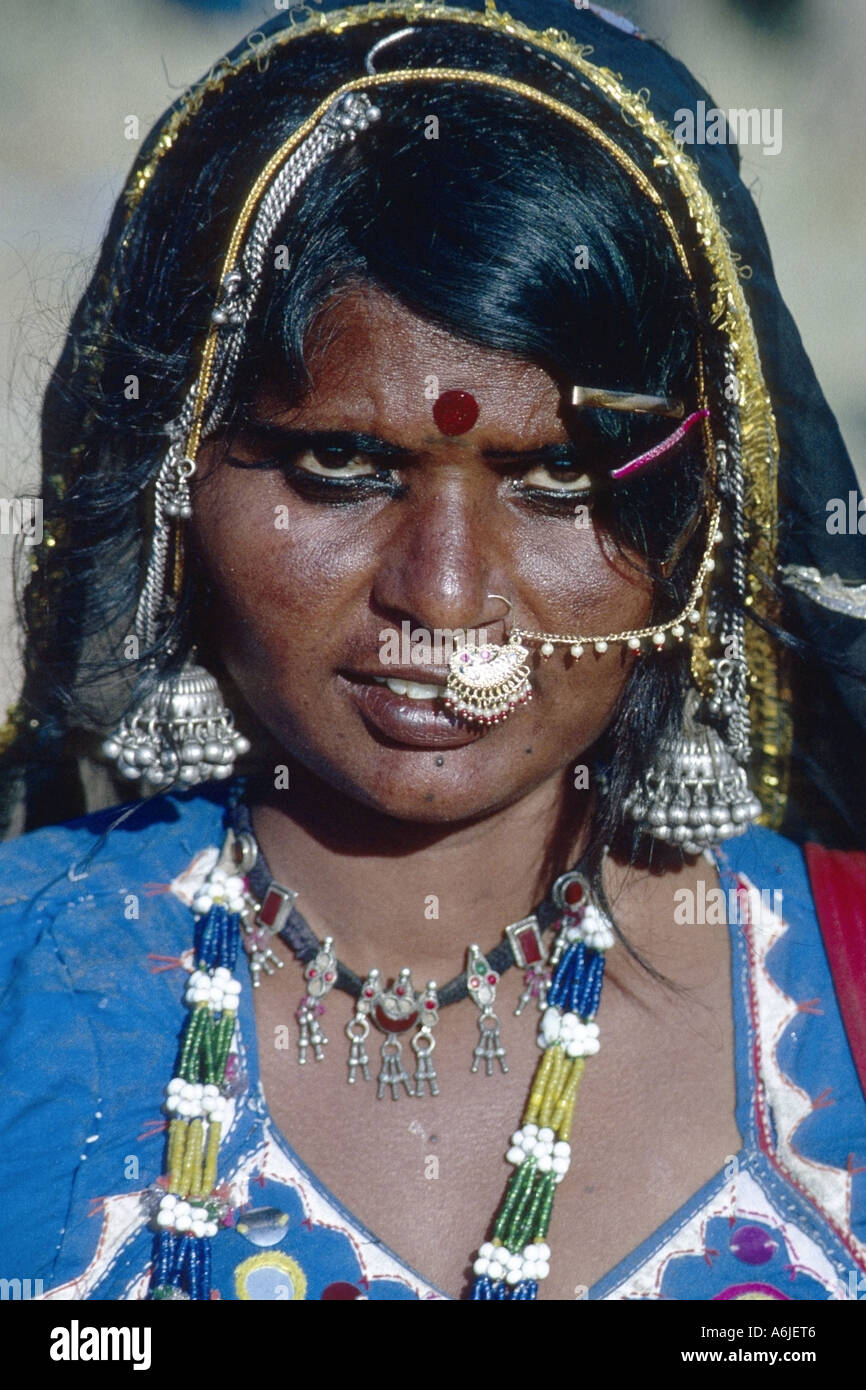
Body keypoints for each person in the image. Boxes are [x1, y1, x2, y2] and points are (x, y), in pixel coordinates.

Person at [1, 0, 864, 1303]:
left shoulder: (839, 988)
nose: (444, 594)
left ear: (699, 517)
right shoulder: (24, 978)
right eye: (340, 463)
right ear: (176, 474)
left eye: (556, 476)